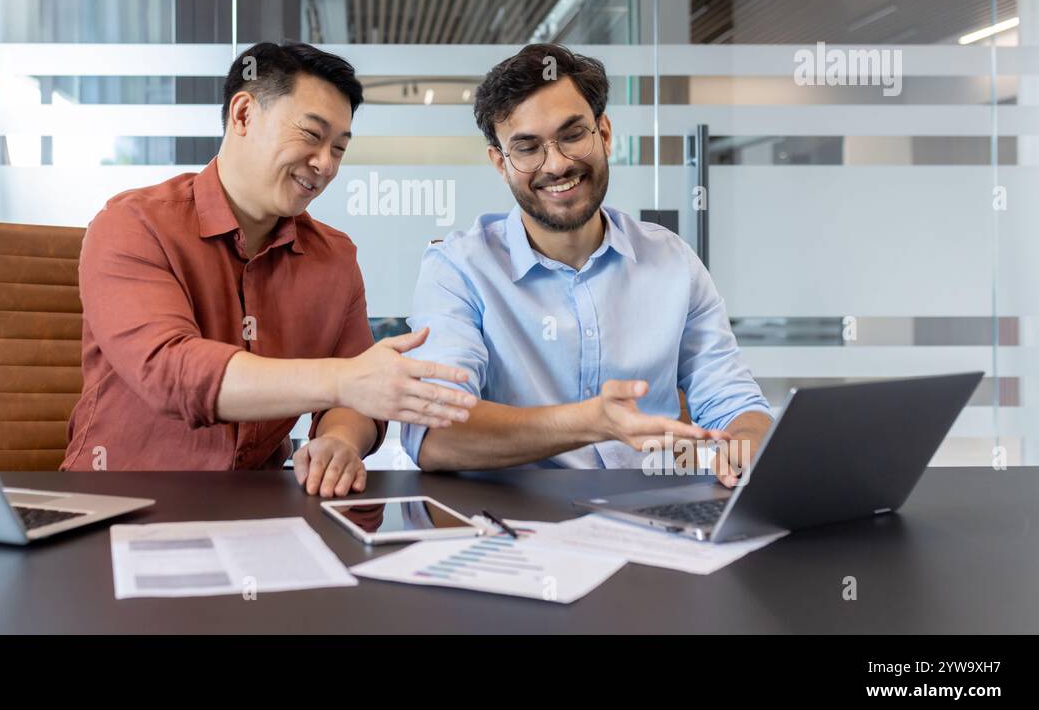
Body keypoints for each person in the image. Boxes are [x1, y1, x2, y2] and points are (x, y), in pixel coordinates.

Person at [62, 41, 476, 495]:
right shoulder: (133, 224)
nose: (325, 164)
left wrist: (338, 441)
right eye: (312, 135)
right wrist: (344, 381)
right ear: (243, 115)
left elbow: (360, 395)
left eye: (339, 148)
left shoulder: (334, 258)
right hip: (119, 505)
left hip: (257, 510)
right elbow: (172, 372)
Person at [401, 44, 772, 485]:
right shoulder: (459, 270)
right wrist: (590, 422)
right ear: (500, 163)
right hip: (512, 526)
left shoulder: (671, 261)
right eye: (527, 148)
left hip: (652, 517)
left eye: (573, 135)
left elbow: (735, 403)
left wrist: (744, 446)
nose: (556, 164)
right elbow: (435, 436)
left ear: (605, 134)